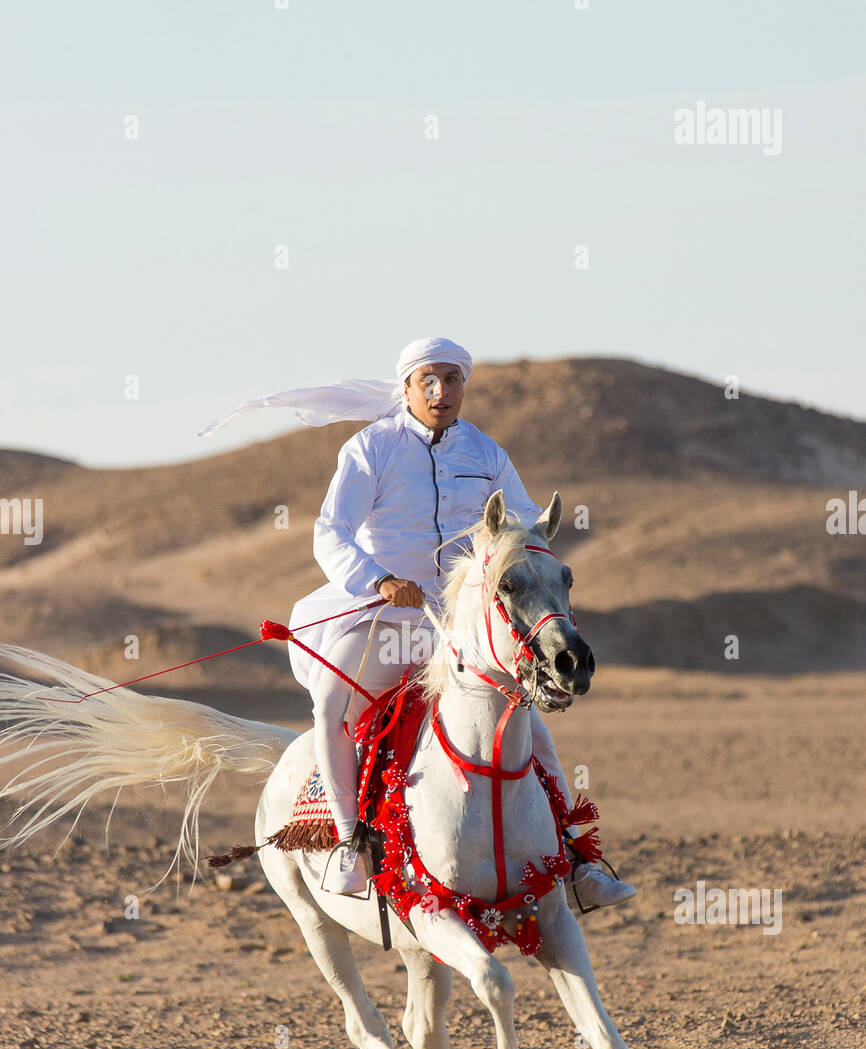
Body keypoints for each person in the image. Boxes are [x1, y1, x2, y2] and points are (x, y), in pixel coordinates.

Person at [200, 336, 636, 906]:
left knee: (524, 716)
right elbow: (328, 532)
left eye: (452, 379)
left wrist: (537, 542)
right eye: (427, 380)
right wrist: (379, 579)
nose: (440, 391)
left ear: (464, 386)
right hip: (383, 614)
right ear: (405, 387)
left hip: (459, 625)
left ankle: (578, 859)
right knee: (332, 707)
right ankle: (350, 844)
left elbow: (523, 527)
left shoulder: (486, 453)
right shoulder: (371, 448)